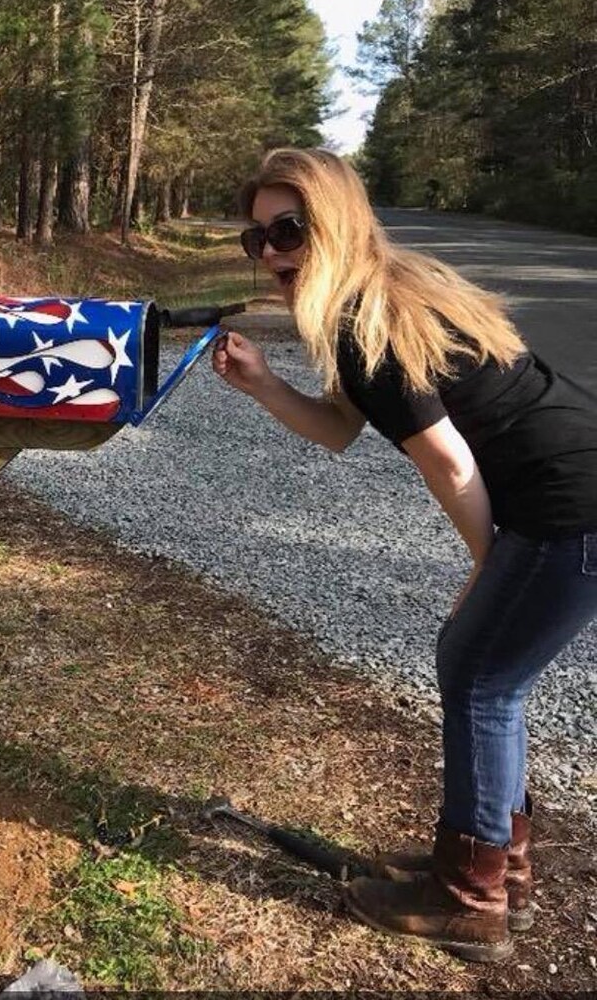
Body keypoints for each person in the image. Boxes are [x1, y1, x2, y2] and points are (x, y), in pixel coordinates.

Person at [212, 147, 597, 963]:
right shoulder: (382, 294)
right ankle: (496, 867)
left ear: (339, 223)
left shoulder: (364, 324)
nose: (274, 251)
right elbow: (341, 429)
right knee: (486, 672)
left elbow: (451, 463)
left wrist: (484, 568)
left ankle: (471, 897)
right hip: (571, 487)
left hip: (571, 502)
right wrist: (262, 384)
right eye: (258, 239)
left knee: (479, 674)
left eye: (290, 229)